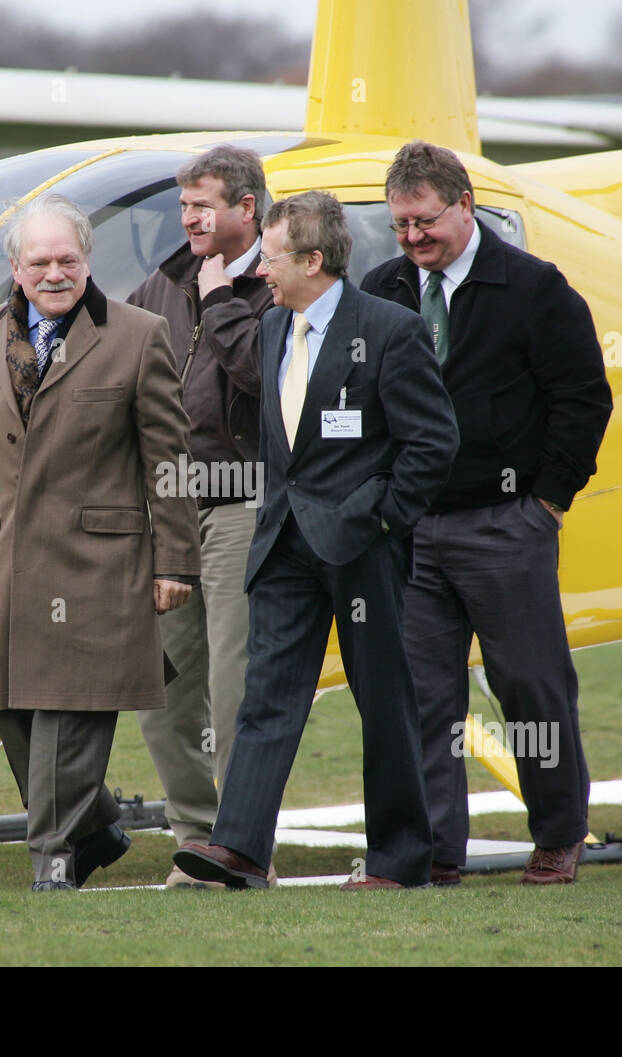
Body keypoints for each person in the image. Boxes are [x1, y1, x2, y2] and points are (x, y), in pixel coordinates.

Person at [174, 191, 458, 890]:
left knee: (385, 702)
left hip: (364, 546)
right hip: (285, 548)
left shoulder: (390, 329)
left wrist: (382, 516)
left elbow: (434, 442)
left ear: (313, 259)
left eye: (270, 258)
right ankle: (238, 846)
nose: (261, 271)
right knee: (266, 697)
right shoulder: (273, 328)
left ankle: (400, 861)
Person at [361, 141, 613, 885]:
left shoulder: (536, 289)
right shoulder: (383, 289)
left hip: (508, 527)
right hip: (411, 534)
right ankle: (436, 852)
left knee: (531, 687)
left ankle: (560, 833)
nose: (411, 239)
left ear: (465, 205)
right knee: (420, 698)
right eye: (399, 224)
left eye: (424, 222)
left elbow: (582, 400)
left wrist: (546, 503)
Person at [0, 193, 200, 891]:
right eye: (40, 262)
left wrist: (175, 559)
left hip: (100, 563)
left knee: (67, 712)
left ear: (88, 262)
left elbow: (167, 460)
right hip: (10, 561)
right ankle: (97, 827)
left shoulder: (138, 334)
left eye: (68, 259)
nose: (55, 273)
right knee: (5, 703)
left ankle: (53, 863)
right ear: (16, 269)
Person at [126, 145, 275, 885]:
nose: (188, 218)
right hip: (167, 506)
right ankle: (195, 834)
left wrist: (222, 301)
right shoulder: (161, 282)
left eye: (203, 205)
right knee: (162, 684)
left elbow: (261, 377)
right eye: (183, 206)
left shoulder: (282, 280)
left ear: (247, 209)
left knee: (236, 682)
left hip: (245, 499)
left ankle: (245, 843)